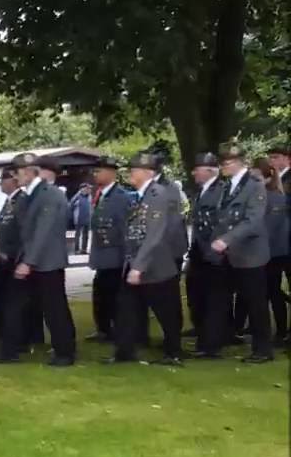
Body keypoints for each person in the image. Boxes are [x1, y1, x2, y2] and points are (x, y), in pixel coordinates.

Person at [0, 153, 77, 366]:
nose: (15, 176)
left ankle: (65, 352)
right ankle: (9, 350)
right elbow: (22, 232)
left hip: (47, 263)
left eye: (18, 172)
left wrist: (28, 262)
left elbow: (43, 231)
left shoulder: (49, 195)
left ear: (30, 172)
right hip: (30, 261)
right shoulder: (27, 197)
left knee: (54, 309)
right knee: (14, 305)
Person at [108, 151, 186, 365]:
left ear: (147, 172)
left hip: (155, 266)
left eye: (134, 171)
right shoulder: (142, 195)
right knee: (126, 309)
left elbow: (154, 233)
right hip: (137, 262)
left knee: (166, 312)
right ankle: (124, 353)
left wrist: (138, 267)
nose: (130, 174)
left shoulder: (157, 194)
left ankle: (174, 353)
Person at [205, 144, 273, 363]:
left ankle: (263, 350)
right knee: (217, 299)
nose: (222, 167)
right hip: (227, 255)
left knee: (255, 303)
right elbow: (222, 217)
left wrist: (226, 239)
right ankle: (212, 345)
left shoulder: (254, 186)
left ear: (237, 163)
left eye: (225, 163)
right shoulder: (227, 186)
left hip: (249, 254)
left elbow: (252, 222)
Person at [87, 157, 131, 342]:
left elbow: (124, 229)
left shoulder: (120, 197)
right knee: (100, 294)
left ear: (112, 173)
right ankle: (103, 329)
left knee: (113, 296)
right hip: (103, 256)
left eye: (100, 171)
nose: (95, 174)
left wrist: (126, 258)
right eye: (95, 171)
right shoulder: (101, 195)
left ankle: (115, 330)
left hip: (115, 256)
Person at [185, 153, 224, 349]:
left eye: (197, 169)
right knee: (196, 296)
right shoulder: (201, 191)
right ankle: (203, 337)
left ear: (210, 170)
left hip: (214, 255)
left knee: (213, 300)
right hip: (198, 253)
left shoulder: (221, 192)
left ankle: (211, 343)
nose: (193, 173)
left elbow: (220, 223)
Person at [0, 168, 23, 342]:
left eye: (4, 179)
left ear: (13, 180)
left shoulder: (20, 201)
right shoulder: (9, 202)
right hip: (4, 258)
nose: (1, 183)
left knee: (9, 296)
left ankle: (11, 333)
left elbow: (21, 232)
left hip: (13, 258)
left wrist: (12, 254)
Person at [258, 158, 290, 344]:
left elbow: (270, 229)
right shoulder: (265, 195)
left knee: (274, 292)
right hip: (266, 251)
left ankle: (281, 331)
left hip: (274, 253)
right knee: (269, 291)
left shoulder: (276, 197)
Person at [69, 185, 93, 255]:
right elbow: (71, 203)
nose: (90, 190)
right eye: (88, 189)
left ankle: (84, 249)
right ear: (84, 189)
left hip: (87, 218)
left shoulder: (89, 196)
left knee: (86, 235)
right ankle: (76, 249)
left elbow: (91, 206)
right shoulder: (78, 196)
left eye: (90, 189)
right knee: (78, 235)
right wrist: (78, 193)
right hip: (78, 218)